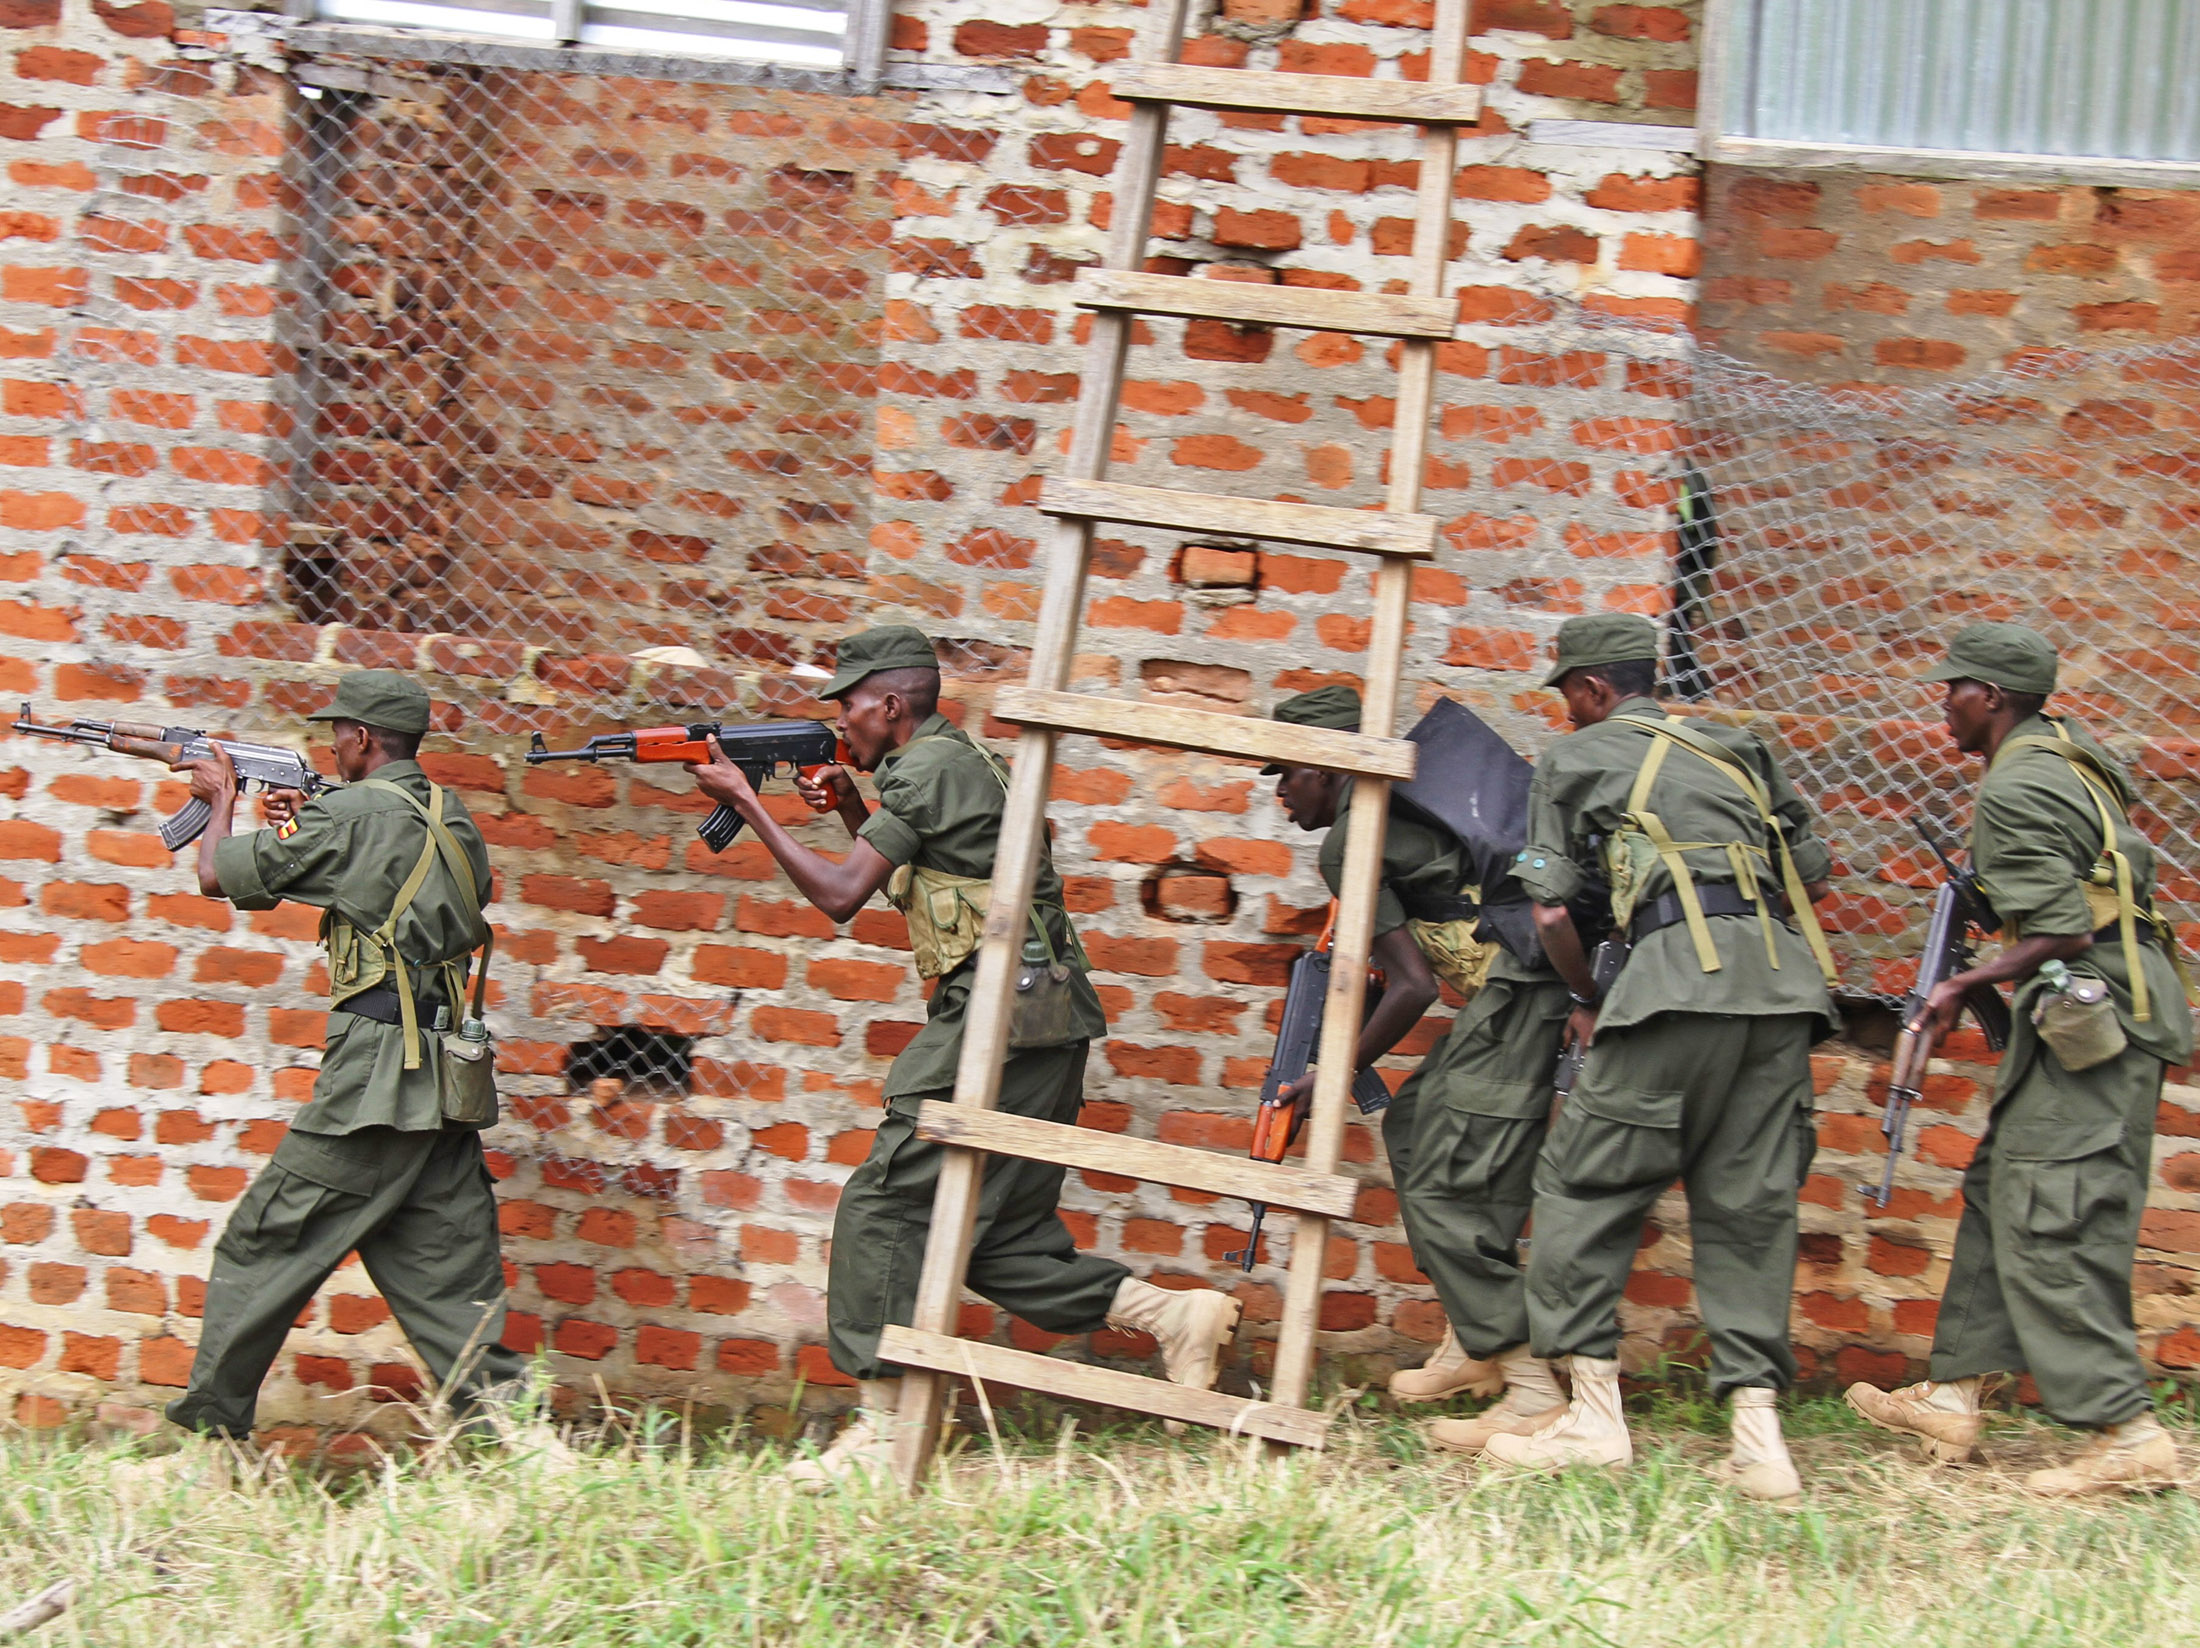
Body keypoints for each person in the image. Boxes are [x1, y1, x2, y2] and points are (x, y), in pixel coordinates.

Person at [689, 625, 1240, 1486]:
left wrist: (744, 799)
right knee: (989, 1235)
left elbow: (841, 895)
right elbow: (934, 872)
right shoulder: (956, 760)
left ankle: (880, 1430)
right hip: (1042, 1016)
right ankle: (1172, 1317)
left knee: (881, 1206)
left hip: (1001, 1018)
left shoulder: (926, 768)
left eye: (851, 706)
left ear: (891, 704)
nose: (843, 721)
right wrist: (844, 807)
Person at [1486, 614, 1837, 1503]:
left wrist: (1589, 999)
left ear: (1597, 690)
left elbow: (1554, 911)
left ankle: (1594, 1420)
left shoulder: (1577, 758)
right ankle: (1760, 1440)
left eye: (1567, 692)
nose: (1565, 710)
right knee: (1750, 1205)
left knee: (1581, 1185)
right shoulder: (1736, 744)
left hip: (1672, 987)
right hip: (1783, 993)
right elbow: (1813, 862)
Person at [156, 671, 549, 1459]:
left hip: (378, 1072)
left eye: (339, 732)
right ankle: (521, 1444)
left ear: (364, 739)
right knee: (443, 1269)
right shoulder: (451, 815)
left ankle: (211, 1447)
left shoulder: (348, 812)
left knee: (263, 1242)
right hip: (443, 1072)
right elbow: (391, 894)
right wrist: (304, 829)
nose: (330, 744)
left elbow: (216, 875)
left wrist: (222, 798)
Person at [1845, 622, 2189, 1496]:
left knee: (2051, 1210)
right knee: (2008, 1185)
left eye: (1953, 689)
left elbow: (2064, 926)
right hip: (2098, 1009)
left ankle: (2125, 1431)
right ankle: (1956, 1394)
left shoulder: (2017, 785)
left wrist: (1961, 985)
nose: (1943, 705)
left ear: (1991, 698)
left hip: (2094, 1010)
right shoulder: (2065, 754)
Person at [1263, 687, 1567, 1443]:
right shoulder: (1398, 813)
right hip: (1537, 989)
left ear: (1329, 772)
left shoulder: (1350, 842)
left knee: (1436, 1154)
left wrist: (1327, 1078)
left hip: (1519, 998)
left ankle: (1531, 1386)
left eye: (1288, 775)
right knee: (1434, 1137)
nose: (1278, 795)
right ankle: (1475, 1340)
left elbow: (1412, 987)